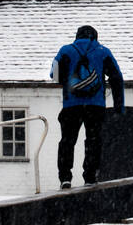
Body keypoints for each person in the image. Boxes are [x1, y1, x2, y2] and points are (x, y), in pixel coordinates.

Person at [51, 25, 124, 188]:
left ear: (77, 36)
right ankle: (90, 176)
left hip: (71, 105)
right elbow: (117, 77)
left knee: (67, 141)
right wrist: (119, 106)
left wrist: (69, 81)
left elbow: (54, 75)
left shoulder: (66, 50)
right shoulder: (103, 51)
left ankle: (65, 177)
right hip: (95, 105)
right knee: (93, 140)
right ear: (95, 37)